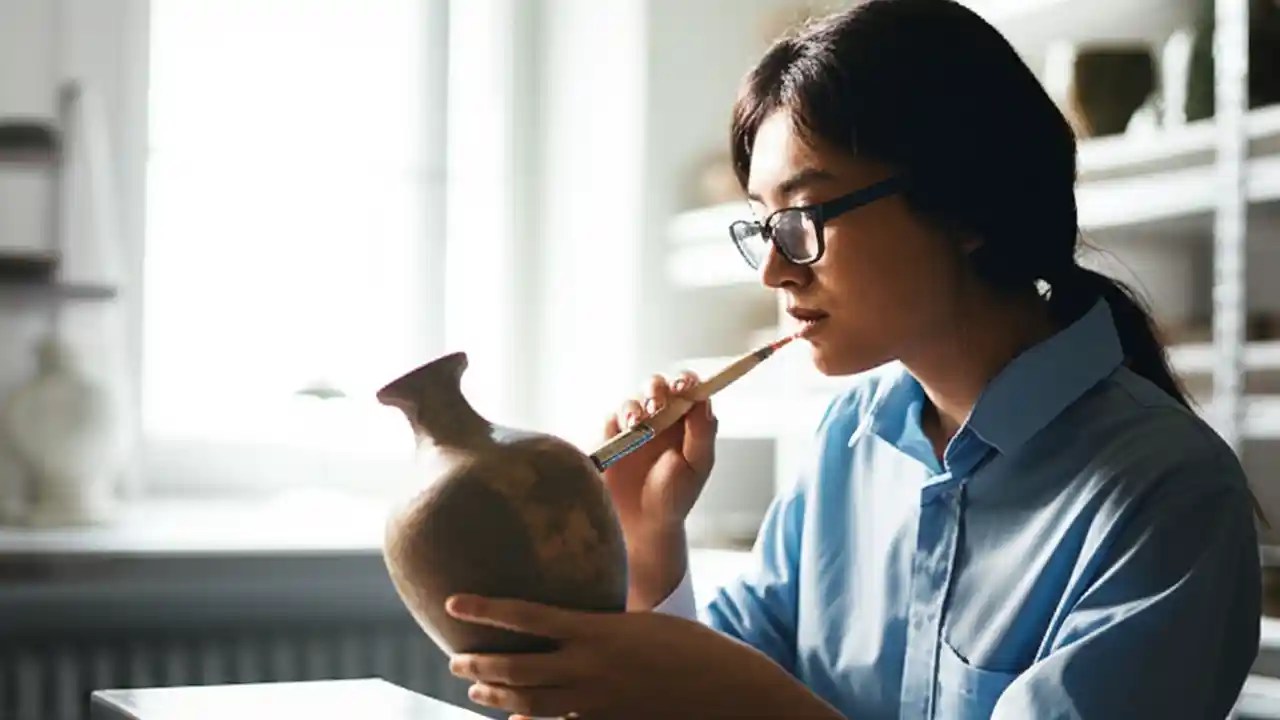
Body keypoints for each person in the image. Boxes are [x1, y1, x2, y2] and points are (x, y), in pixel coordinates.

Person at [440, 1, 1264, 717]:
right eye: (761, 225)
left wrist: (744, 699)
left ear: (967, 199)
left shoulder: (1170, 493)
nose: (773, 268)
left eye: (803, 216)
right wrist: (650, 539)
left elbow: (734, 694)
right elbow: (709, 688)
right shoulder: (848, 442)